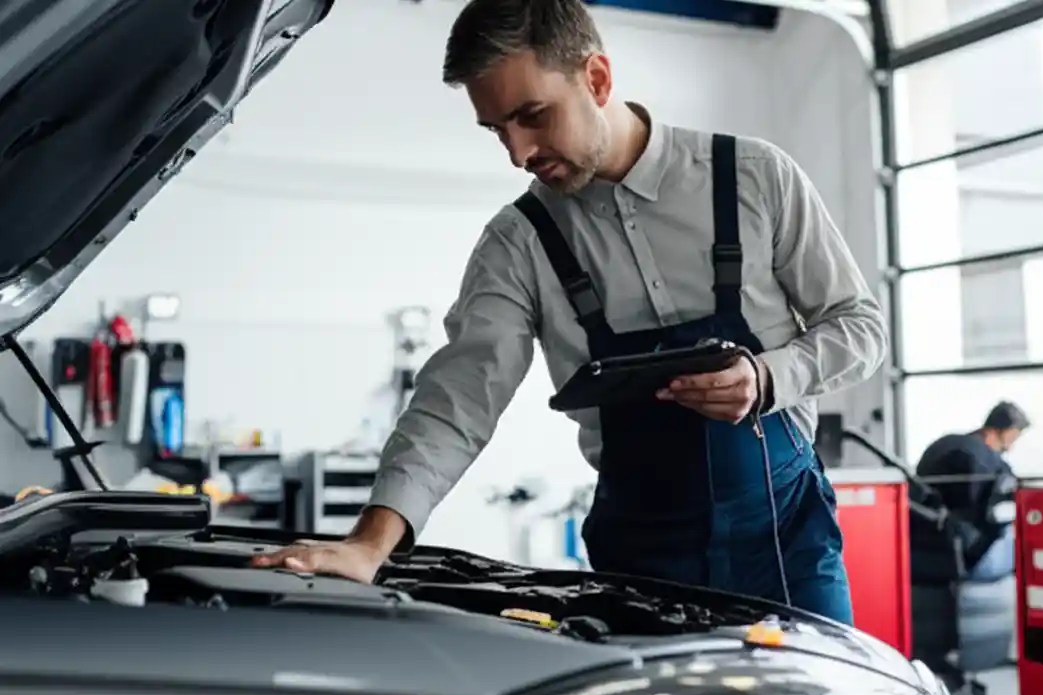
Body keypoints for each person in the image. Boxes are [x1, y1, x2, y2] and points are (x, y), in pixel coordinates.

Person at [251, 0, 886, 624]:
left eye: (533, 115)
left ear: (597, 79)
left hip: (786, 541)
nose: (518, 153)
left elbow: (861, 327)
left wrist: (770, 376)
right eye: (498, 129)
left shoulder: (754, 178)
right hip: (641, 558)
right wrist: (369, 543)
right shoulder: (519, 241)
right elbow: (457, 400)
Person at [915, 400, 1029, 581]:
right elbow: (996, 512)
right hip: (970, 554)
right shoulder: (992, 462)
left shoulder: (943, 444)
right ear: (1004, 431)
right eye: (1012, 439)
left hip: (922, 545)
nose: (1010, 448)